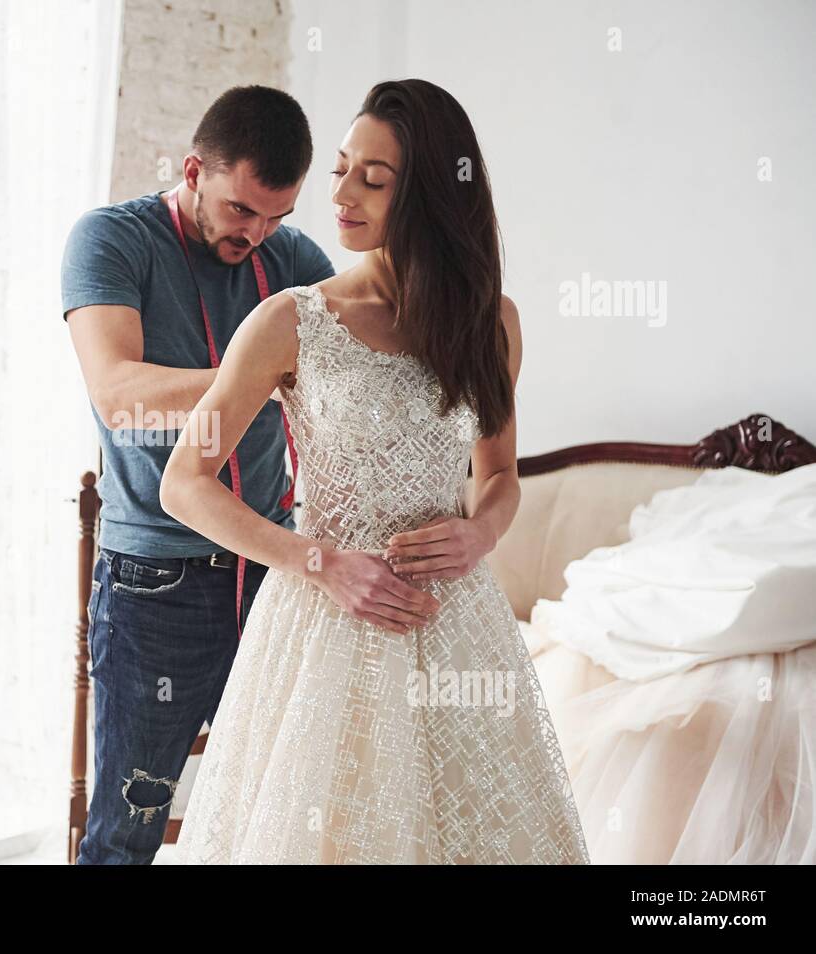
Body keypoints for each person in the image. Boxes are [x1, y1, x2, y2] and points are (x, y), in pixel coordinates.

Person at [160, 78, 590, 863]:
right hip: (328, 622)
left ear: (429, 193)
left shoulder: (492, 324)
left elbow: (499, 474)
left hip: (455, 625)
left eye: (374, 178)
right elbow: (183, 482)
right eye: (341, 169)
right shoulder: (291, 321)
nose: (342, 194)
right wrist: (319, 563)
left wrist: (481, 533)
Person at [61, 85, 386, 865]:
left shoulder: (293, 260)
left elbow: (360, 369)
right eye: (242, 210)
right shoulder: (111, 239)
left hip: (274, 575)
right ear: (193, 171)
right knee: (128, 829)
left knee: (277, 820)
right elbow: (119, 397)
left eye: (277, 216)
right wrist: (259, 374)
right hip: (155, 587)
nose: (257, 234)